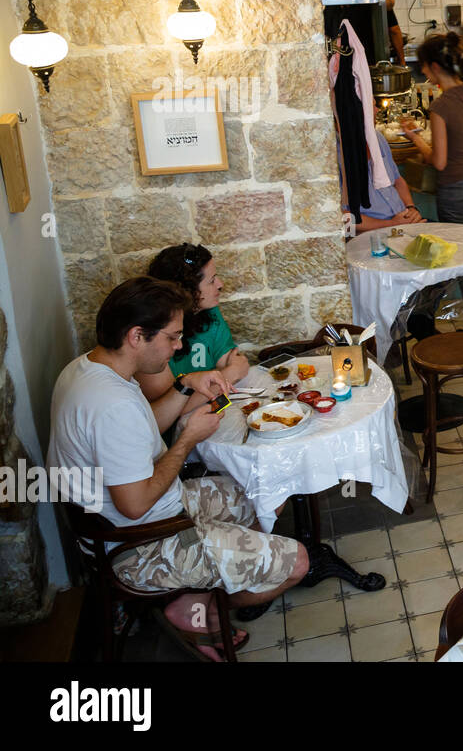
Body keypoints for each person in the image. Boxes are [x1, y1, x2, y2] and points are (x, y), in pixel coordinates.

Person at [47, 278, 308, 661]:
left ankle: (201, 590)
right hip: (135, 544)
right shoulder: (110, 404)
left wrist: (186, 385)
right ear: (137, 335)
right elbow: (135, 504)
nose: (179, 346)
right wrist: (186, 439)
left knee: (260, 495)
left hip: (145, 512)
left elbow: (142, 428)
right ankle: (190, 611)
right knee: (297, 563)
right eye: (171, 337)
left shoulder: (87, 369)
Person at [135, 244, 249, 410]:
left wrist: (229, 372)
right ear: (187, 291)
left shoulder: (209, 312)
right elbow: (170, 410)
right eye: (211, 281)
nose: (220, 284)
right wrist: (231, 373)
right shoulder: (153, 334)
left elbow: (233, 361)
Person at [400, 32, 463, 226]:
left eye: (424, 65)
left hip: (457, 189)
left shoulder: (442, 106)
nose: (423, 71)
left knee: (459, 250)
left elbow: (439, 162)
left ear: (435, 66)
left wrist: (415, 138)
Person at [339, 131, 424, 233]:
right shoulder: (331, 150)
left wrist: (410, 208)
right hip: (368, 233)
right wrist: (391, 224)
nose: (375, 114)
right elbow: (339, 216)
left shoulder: (377, 137)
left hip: (403, 221)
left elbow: (398, 180)